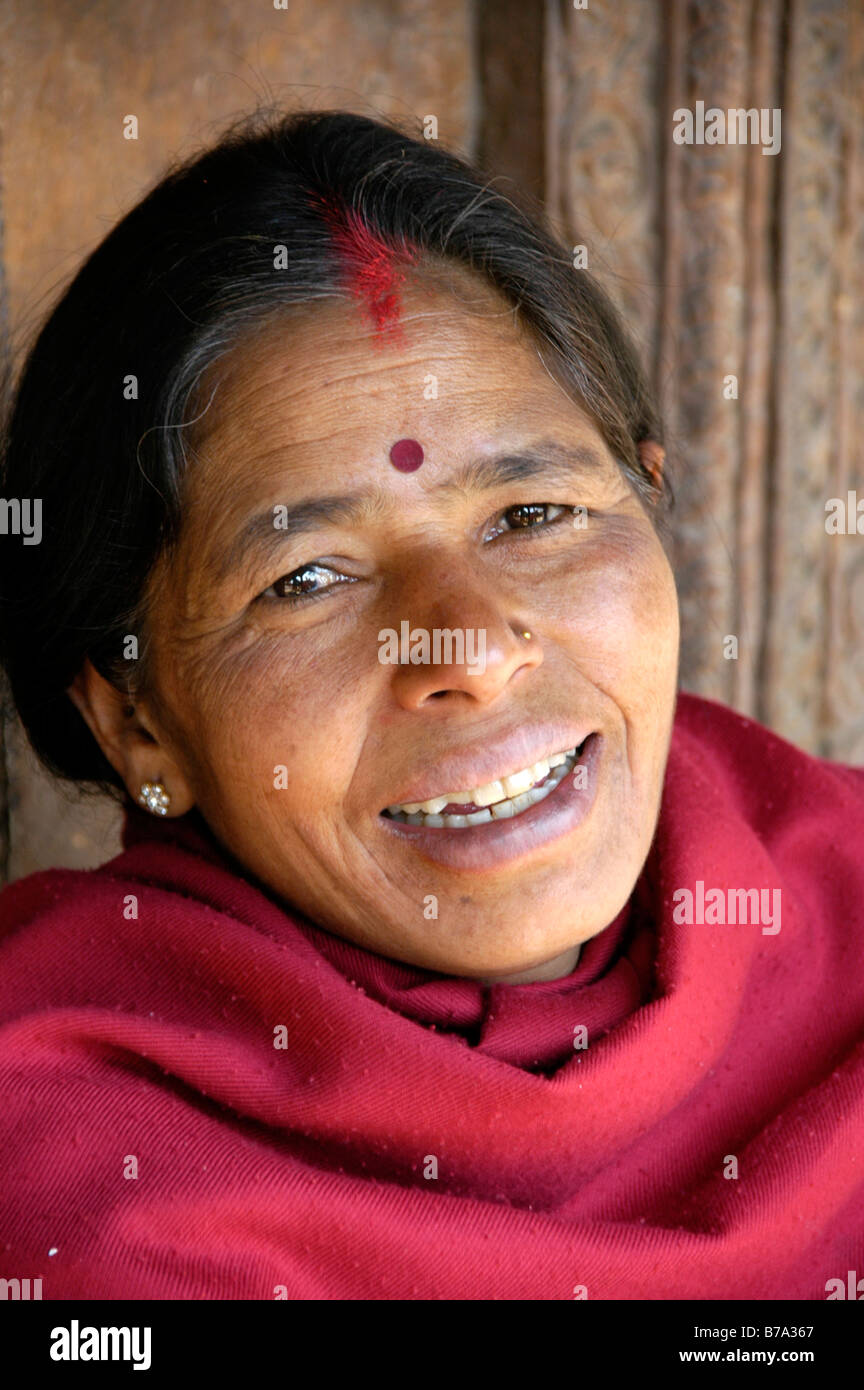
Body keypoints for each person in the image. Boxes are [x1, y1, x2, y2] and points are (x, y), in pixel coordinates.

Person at [0, 109, 861, 1301]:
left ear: (645, 494)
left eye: (533, 514)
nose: (465, 647)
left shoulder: (847, 911)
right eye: (306, 579)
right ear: (137, 719)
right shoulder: (53, 1167)